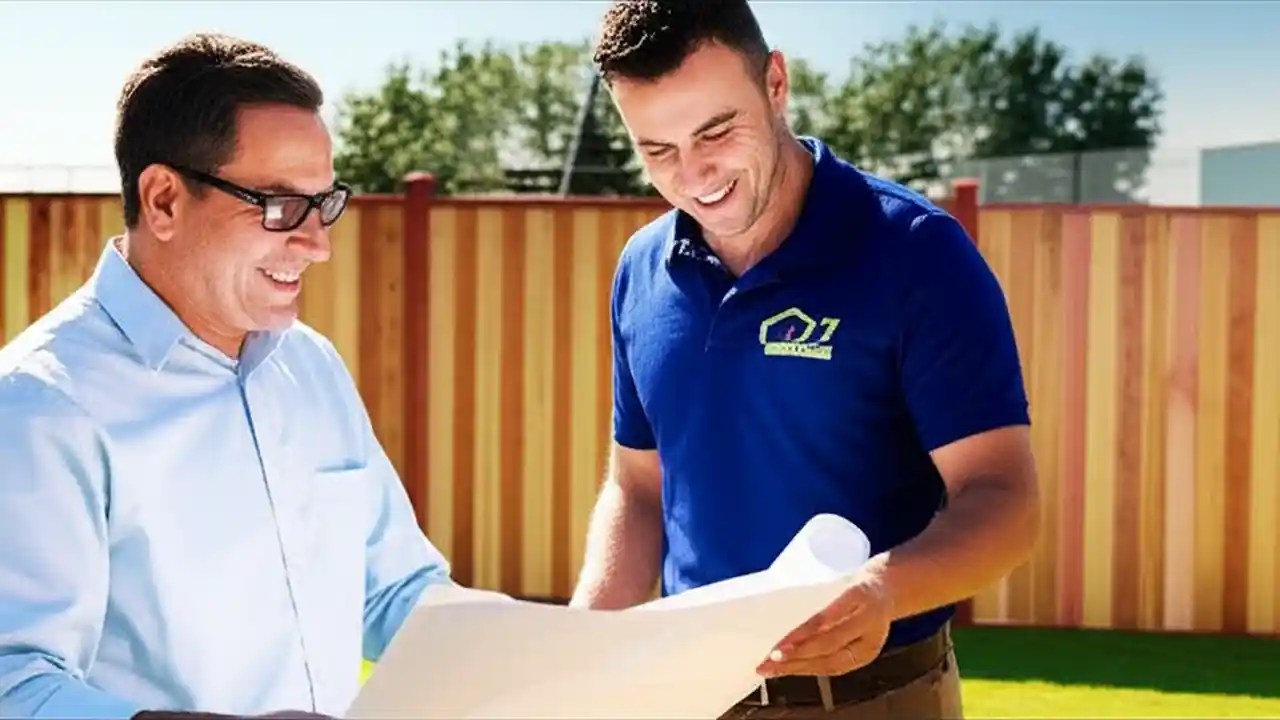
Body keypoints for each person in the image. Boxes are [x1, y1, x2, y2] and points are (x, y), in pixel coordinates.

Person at [569, 1, 1042, 718]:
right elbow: (637, 489)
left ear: (776, 82)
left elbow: (1005, 500)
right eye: (657, 151)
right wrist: (574, 650)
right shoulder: (642, 270)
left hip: (880, 696)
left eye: (716, 131)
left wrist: (886, 588)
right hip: (694, 696)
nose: (695, 176)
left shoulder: (915, 252)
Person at [0, 33, 457, 719]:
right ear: (162, 201)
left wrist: (563, 655)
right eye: (279, 206)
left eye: (324, 204)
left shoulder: (312, 366)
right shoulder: (40, 403)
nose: (318, 244)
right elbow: (18, 682)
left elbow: (395, 592)